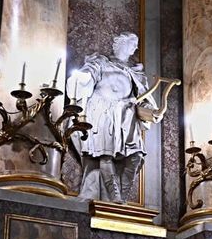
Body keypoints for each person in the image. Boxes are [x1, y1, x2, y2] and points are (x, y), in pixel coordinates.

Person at [67, 32, 159, 203]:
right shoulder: (100, 62)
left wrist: (152, 111)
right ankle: (115, 197)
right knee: (105, 154)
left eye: (136, 45)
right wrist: (83, 77)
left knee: (136, 155)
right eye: (132, 43)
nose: (135, 48)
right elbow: (87, 76)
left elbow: (143, 99)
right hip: (102, 111)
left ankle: (122, 195)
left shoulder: (135, 73)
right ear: (119, 43)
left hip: (126, 115)